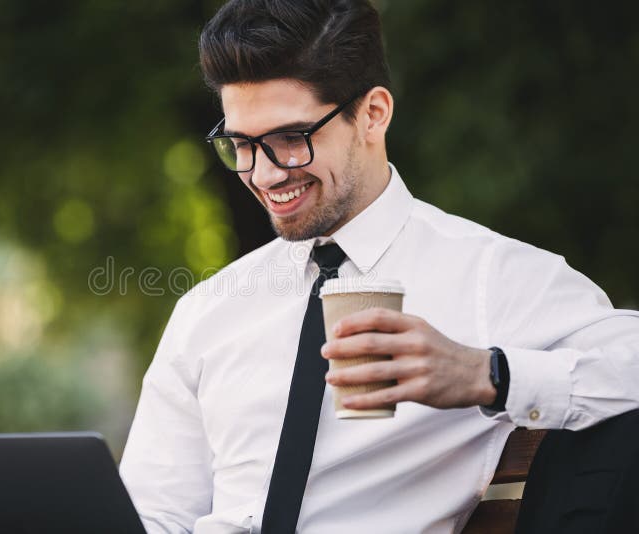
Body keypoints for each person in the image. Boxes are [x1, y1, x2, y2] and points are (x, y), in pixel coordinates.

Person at [119, 1, 639, 532]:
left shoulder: (485, 275)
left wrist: (486, 374)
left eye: (290, 140)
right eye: (241, 145)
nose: (263, 174)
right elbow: (154, 514)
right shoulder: (207, 310)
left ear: (373, 114)